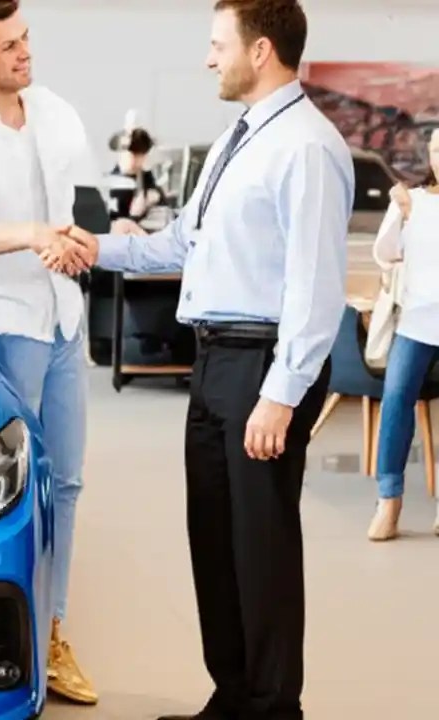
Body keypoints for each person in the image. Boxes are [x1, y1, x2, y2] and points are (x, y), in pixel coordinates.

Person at [60, 2, 353, 718]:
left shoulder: (307, 147)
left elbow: (315, 289)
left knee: (262, 548)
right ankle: (234, 696)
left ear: (260, 50)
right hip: (217, 360)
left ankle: (274, 707)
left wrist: (281, 396)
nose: (208, 58)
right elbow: (181, 244)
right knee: (216, 539)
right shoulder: (239, 139)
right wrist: (94, 247)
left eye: (218, 45)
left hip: (263, 365)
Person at [0, 0, 101, 705]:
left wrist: (84, 241)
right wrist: (36, 233)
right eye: (9, 45)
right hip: (8, 326)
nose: (25, 53)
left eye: (26, 38)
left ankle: (55, 629)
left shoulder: (59, 112)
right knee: (13, 492)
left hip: (66, 320)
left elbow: (90, 203)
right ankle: (15, 635)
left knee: (66, 484)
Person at [369, 130, 439, 541]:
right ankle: (389, 500)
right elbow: (385, 253)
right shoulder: (412, 200)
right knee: (396, 399)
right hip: (416, 321)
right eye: (433, 150)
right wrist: (399, 214)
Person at [108, 127, 167, 223]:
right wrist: (135, 215)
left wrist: (154, 199)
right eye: (133, 154)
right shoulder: (112, 184)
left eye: (142, 155)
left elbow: (163, 205)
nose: (138, 161)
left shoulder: (146, 177)